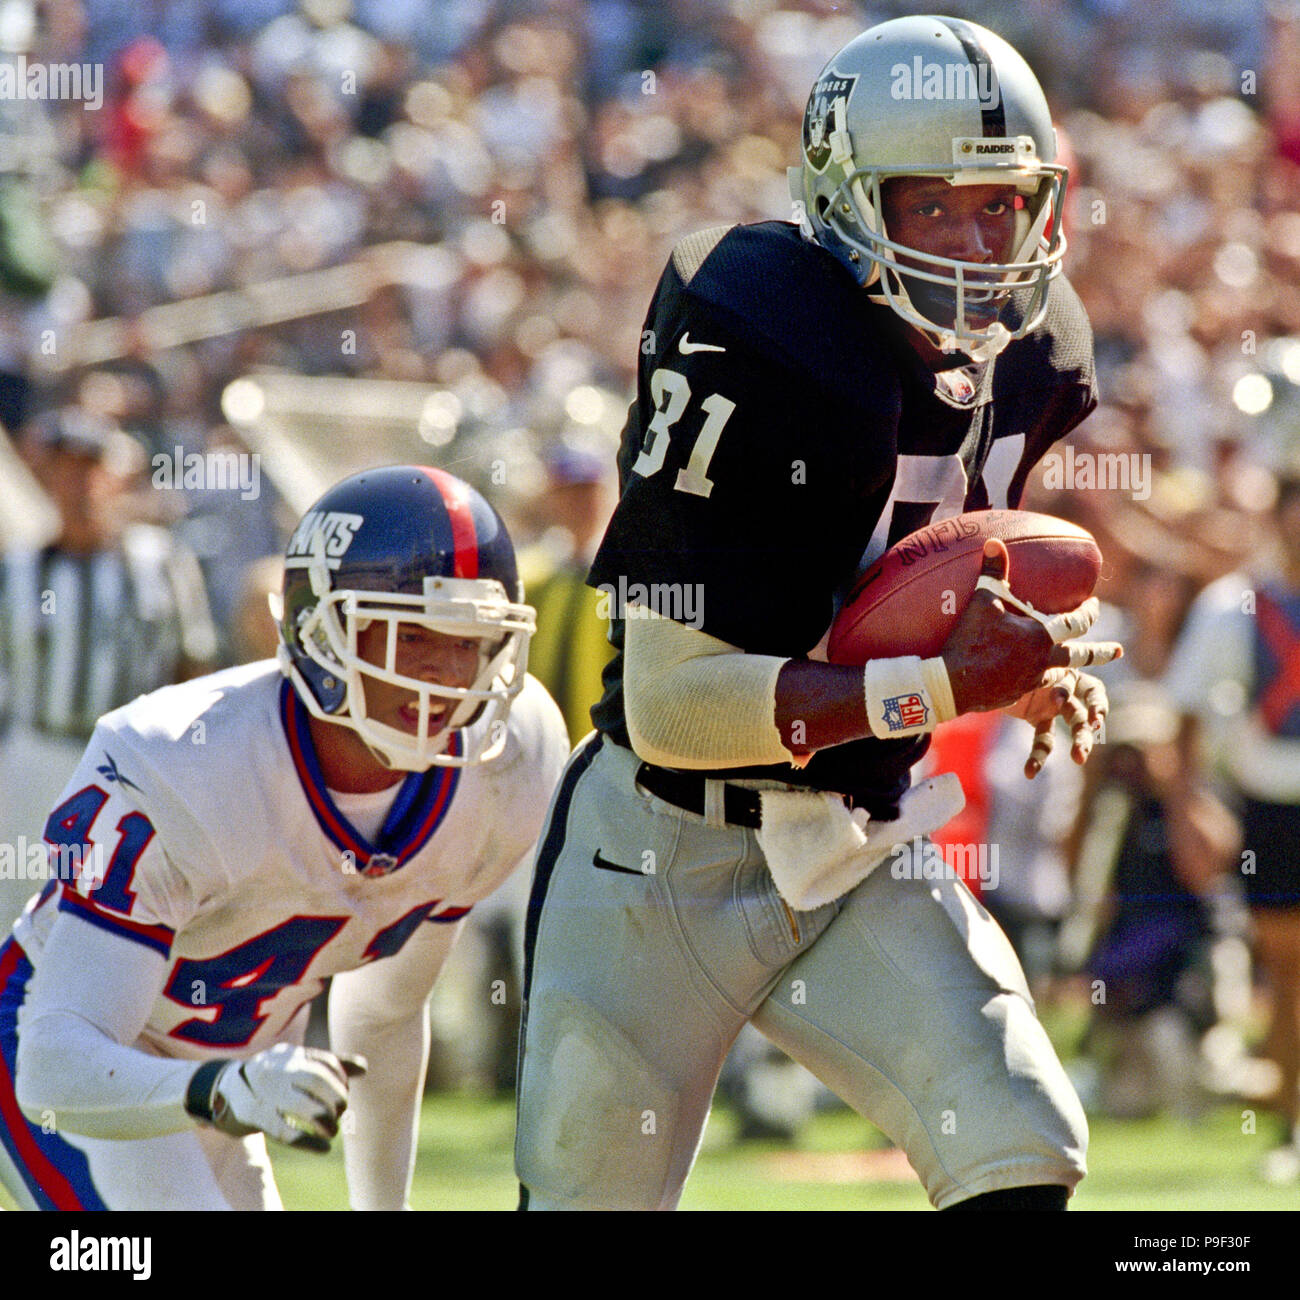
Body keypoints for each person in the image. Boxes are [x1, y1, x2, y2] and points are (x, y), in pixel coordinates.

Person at [514, 15, 1122, 1211]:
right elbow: (673, 706)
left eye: (999, 205)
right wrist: (945, 688)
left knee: (1019, 1147)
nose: (974, 242)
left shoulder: (1039, 351)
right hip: (656, 849)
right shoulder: (756, 320)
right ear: (848, 202)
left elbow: (934, 577)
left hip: (856, 839)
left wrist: (1017, 660)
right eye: (932, 207)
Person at [0, 465, 569, 1210]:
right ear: (321, 632)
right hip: (82, 1057)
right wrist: (220, 1087)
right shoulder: (187, 763)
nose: (447, 672)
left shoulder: (508, 761)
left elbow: (387, 1015)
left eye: (472, 640)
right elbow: (52, 1061)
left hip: (231, 1078)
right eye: (415, 634)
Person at [0, 407, 218, 936]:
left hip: (127, 765)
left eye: (89, 468)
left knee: (117, 920)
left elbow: (193, 667)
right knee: (19, 916)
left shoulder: (162, 561)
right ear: (46, 478)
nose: (77, 484)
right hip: (37, 755)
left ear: (115, 475)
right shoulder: (16, 570)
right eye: (63, 469)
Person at [1164, 473, 1300, 1180]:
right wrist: (1190, 809)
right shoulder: (1236, 605)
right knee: (1287, 968)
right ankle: (1289, 1124)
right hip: (1273, 806)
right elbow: (1182, 715)